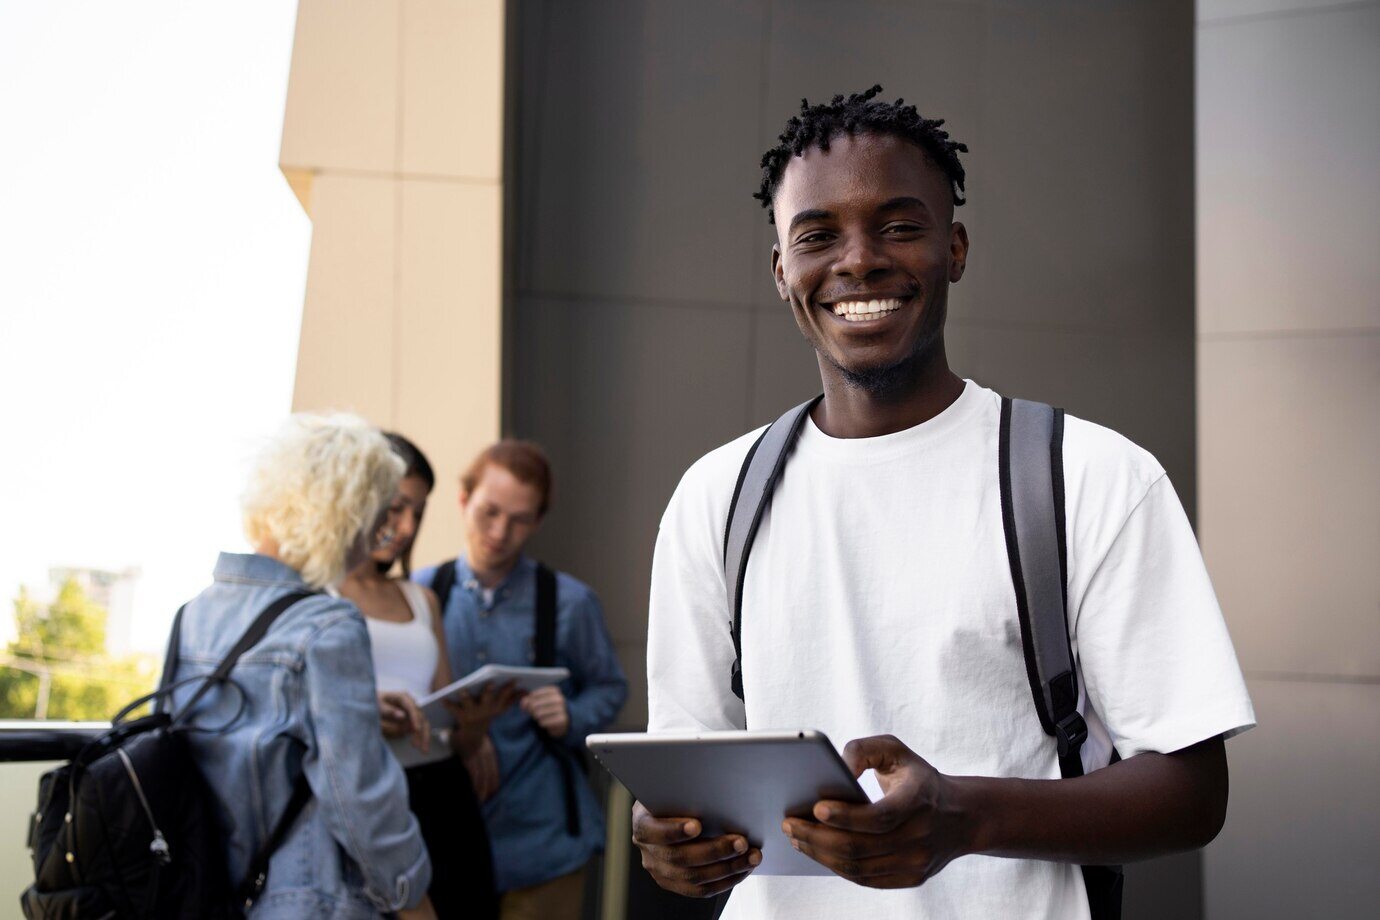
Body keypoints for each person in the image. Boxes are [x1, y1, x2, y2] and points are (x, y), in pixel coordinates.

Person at [635, 86, 1256, 919]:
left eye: (899, 226)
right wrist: (666, 834)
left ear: (954, 248)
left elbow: (1192, 792)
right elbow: (684, 766)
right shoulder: (716, 498)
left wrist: (965, 817)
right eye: (818, 235)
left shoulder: (1091, 476)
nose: (858, 261)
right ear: (782, 269)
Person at [170, 412, 435, 918]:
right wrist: (413, 895)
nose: (381, 534)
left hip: (202, 886)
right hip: (306, 897)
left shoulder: (194, 613)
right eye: (378, 515)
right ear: (347, 514)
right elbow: (359, 797)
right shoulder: (328, 624)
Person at [414, 440, 628, 920]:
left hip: (542, 842)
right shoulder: (419, 593)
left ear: (537, 521)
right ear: (463, 499)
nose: (499, 532)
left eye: (519, 519)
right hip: (441, 841)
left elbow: (611, 687)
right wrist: (461, 736)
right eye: (489, 511)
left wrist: (571, 715)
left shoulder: (571, 602)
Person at [339, 432, 517, 920]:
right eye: (395, 508)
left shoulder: (422, 600)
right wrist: (366, 715)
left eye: (417, 513)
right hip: (372, 797)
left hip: (445, 794)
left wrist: (477, 726)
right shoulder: (319, 597)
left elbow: (451, 730)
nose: (405, 527)